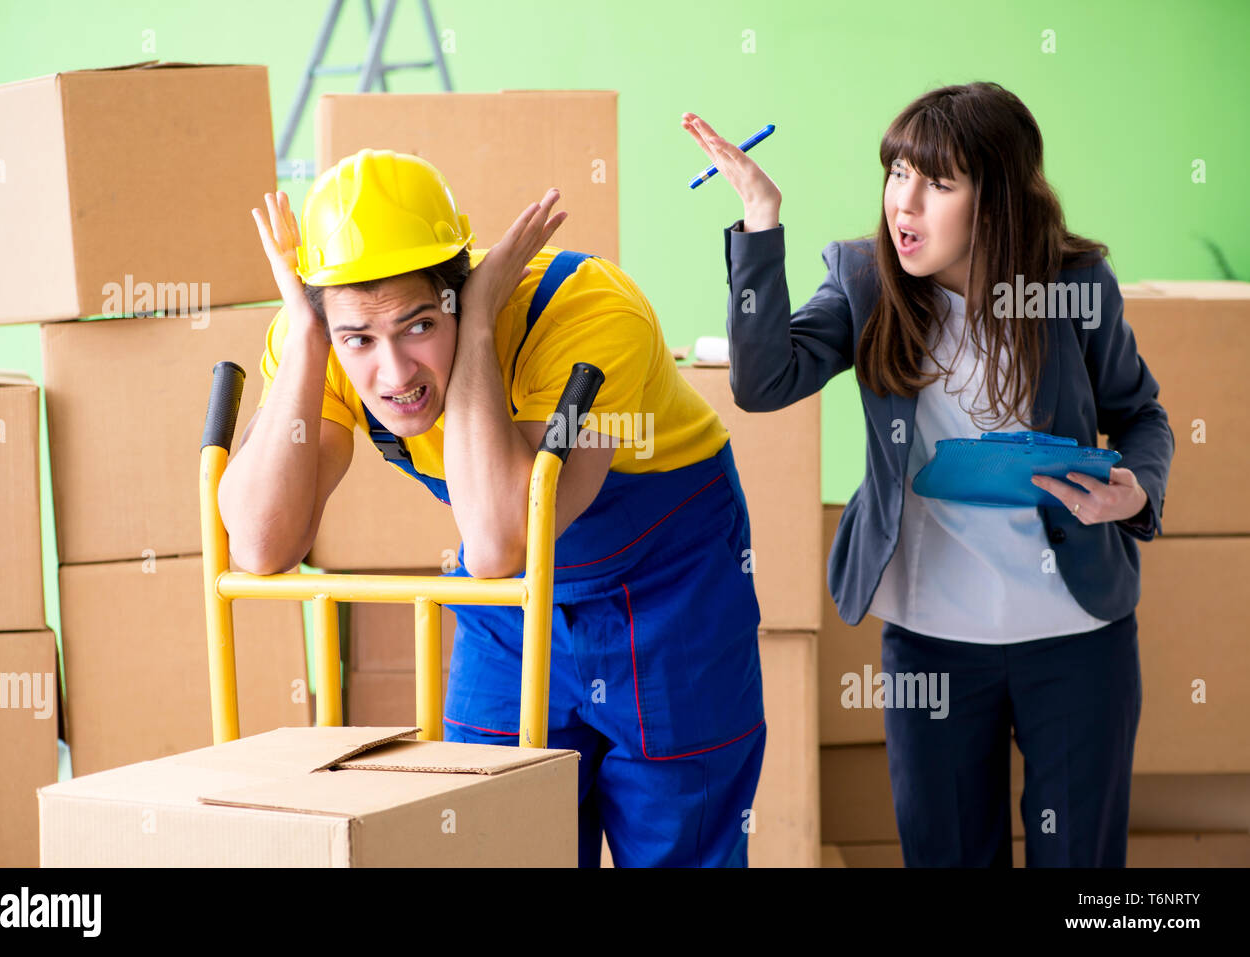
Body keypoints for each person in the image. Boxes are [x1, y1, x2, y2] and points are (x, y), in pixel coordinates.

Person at [218, 148, 766, 867]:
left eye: (420, 325)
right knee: (499, 837)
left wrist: (476, 326)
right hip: (508, 615)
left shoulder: (586, 315)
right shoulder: (318, 342)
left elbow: (502, 539)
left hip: (668, 599)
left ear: (462, 282)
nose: (392, 374)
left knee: (677, 847)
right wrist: (308, 332)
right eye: (359, 338)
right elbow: (260, 544)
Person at [683, 82, 1174, 867]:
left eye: (938, 183)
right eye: (897, 173)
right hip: (932, 640)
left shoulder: (1075, 286)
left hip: (1079, 635)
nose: (903, 203)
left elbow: (1142, 416)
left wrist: (1138, 488)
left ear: (999, 198)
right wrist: (760, 220)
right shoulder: (864, 282)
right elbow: (763, 381)